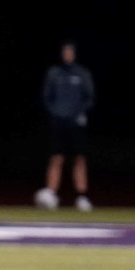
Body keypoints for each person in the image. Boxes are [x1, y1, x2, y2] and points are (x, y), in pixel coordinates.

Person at [35, 41, 95, 212]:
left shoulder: (82, 73)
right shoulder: (54, 73)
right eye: (65, 52)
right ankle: (51, 194)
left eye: (70, 52)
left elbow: (89, 97)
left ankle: (82, 196)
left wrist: (79, 114)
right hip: (58, 123)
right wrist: (55, 113)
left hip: (75, 123)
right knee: (56, 158)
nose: (67, 55)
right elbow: (47, 97)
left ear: (74, 54)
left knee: (79, 159)